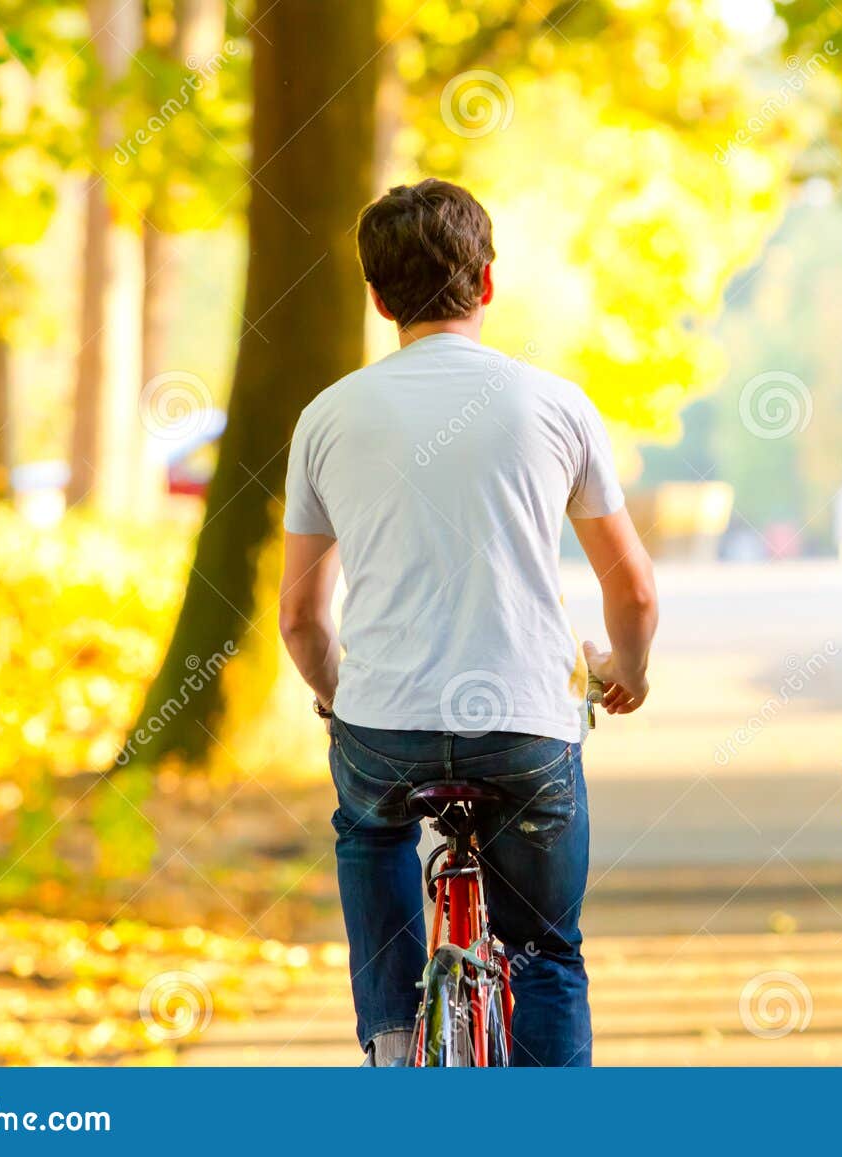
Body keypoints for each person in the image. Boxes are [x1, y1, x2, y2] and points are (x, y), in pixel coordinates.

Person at [278, 178, 658, 1067]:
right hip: (526, 721)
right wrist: (627, 671)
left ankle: (394, 1031)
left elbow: (300, 615)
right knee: (549, 957)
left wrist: (343, 698)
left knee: (368, 829)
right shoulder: (557, 405)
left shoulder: (327, 417)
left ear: (377, 299)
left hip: (386, 725)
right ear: (487, 283)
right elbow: (632, 591)